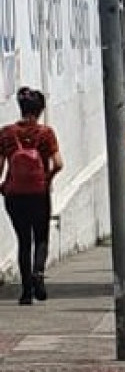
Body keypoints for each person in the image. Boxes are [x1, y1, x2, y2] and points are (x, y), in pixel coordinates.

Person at [0, 88, 63, 305]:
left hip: (14, 195)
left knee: (23, 240)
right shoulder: (45, 133)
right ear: (40, 110)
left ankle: (26, 292)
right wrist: (48, 178)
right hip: (39, 193)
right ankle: (38, 273)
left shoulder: (6, 133)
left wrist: (4, 185)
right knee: (42, 237)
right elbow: (59, 164)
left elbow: (0, 167)